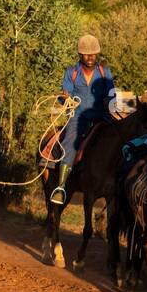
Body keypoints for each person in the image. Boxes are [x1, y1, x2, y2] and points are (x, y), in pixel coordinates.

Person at [50, 34, 116, 204]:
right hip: (78, 117)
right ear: (80, 55)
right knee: (69, 143)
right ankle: (61, 187)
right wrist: (66, 98)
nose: (90, 57)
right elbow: (65, 94)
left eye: (93, 54)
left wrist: (110, 100)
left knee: (118, 139)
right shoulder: (71, 73)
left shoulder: (105, 72)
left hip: (101, 116)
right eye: (87, 54)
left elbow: (111, 93)